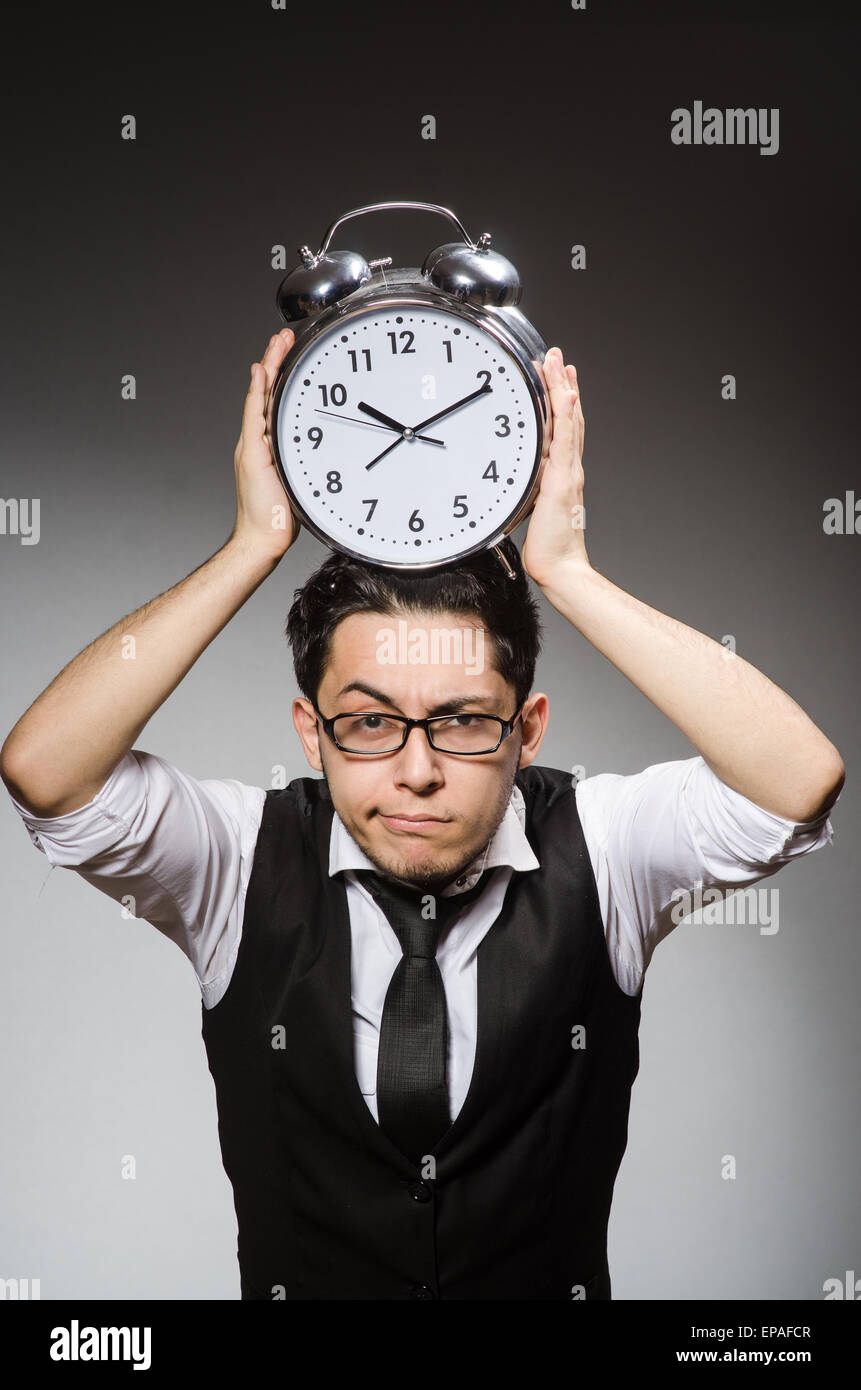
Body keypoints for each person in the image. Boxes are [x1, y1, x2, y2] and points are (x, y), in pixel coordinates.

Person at [1, 329, 844, 1301]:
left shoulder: (607, 851)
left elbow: (799, 778)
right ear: (308, 732)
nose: (416, 771)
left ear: (528, 728)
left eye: (462, 722)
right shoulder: (237, 862)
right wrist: (250, 547)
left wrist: (566, 573)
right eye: (367, 722)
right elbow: (44, 770)